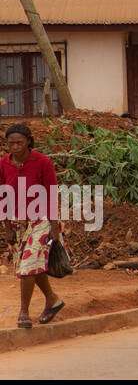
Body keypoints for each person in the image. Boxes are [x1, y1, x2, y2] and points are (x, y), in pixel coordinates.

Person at [1, 123, 64, 327]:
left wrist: (54, 226)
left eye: (20, 142)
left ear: (28, 141)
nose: (16, 147)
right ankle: (53, 299)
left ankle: (23, 312)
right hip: (17, 222)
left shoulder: (43, 162)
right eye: (11, 143)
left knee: (28, 267)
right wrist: (7, 227)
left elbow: (52, 193)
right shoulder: (3, 164)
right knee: (33, 267)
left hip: (42, 220)